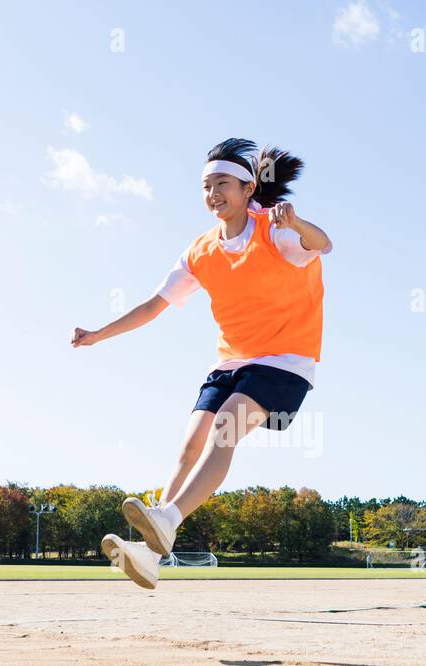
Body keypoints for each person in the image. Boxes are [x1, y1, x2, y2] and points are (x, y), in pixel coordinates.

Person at [71, 137, 332, 588]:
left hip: (286, 361)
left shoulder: (275, 230)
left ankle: (168, 519)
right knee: (191, 443)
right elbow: (154, 306)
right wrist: (98, 335)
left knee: (226, 425)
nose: (214, 193)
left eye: (223, 184)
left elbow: (323, 244)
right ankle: (151, 552)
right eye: (207, 185)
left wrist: (297, 221)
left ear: (249, 188)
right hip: (232, 363)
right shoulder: (201, 251)